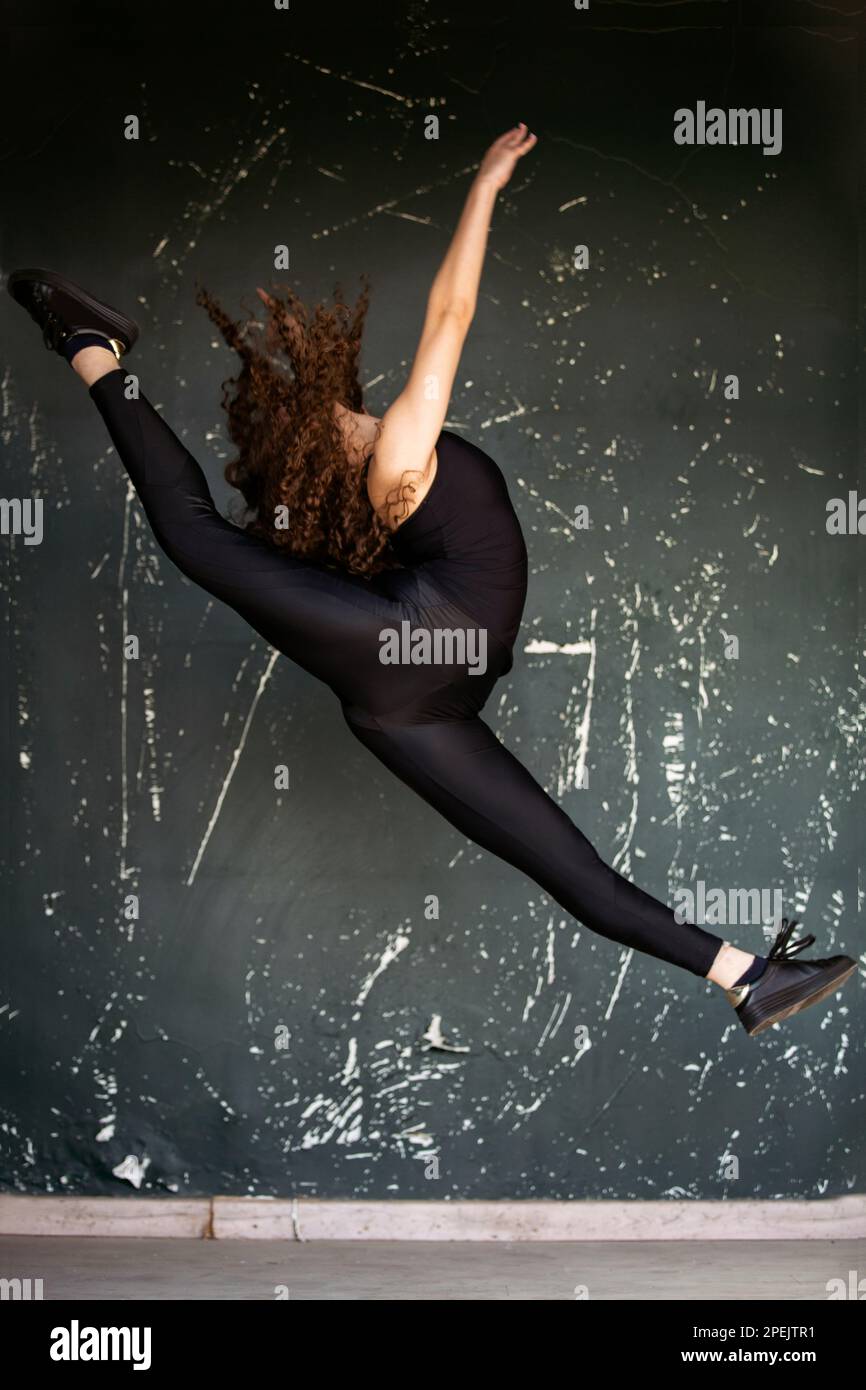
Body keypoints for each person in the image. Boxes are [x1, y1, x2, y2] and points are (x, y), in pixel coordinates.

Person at [7, 124, 855, 1038]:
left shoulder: (380, 499)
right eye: (305, 411)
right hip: (416, 658)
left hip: (414, 701)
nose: (320, 403)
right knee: (193, 535)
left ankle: (747, 977)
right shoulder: (399, 454)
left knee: (573, 872)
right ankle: (92, 348)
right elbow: (450, 316)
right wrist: (485, 187)